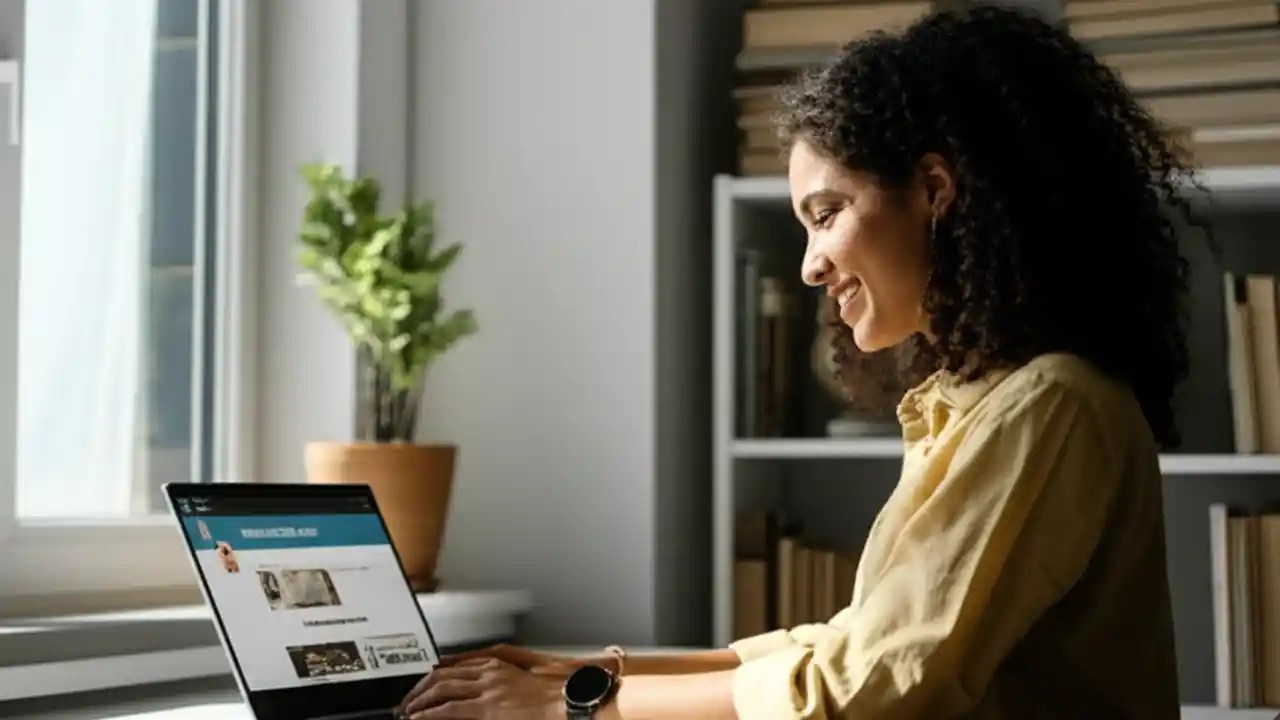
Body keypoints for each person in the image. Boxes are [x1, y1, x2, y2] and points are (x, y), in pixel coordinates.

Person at [399, 5, 1195, 719]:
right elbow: (852, 640)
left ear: (934, 189)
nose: (811, 265)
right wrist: (595, 673)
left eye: (827, 213)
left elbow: (869, 684)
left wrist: (571, 709)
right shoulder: (985, 401)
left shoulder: (1046, 404)